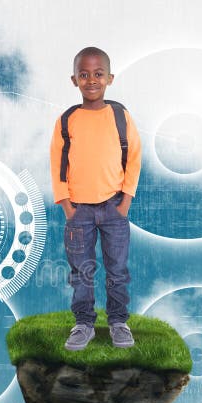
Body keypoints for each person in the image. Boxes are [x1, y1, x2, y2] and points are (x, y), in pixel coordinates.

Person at [50, 46, 142, 350]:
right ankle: (84, 324)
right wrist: (66, 204)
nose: (92, 80)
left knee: (117, 269)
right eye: (84, 74)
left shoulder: (119, 115)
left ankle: (118, 322)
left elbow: (134, 157)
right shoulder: (67, 120)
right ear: (74, 79)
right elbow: (57, 162)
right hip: (79, 211)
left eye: (98, 74)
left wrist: (126, 198)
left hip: (114, 207)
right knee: (81, 271)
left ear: (110, 78)